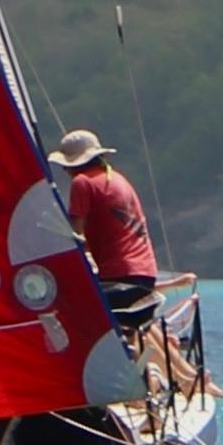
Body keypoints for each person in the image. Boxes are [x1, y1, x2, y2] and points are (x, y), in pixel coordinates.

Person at [47, 128, 159, 316]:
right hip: (146, 275)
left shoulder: (82, 182)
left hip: (117, 278)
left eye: (66, 165)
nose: (65, 170)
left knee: (70, 314)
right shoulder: (118, 179)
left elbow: (75, 236)